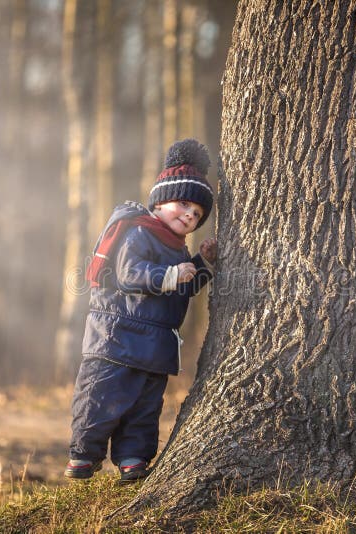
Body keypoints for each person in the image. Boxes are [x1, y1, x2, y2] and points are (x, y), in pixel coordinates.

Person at [65, 139, 218, 483]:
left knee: (144, 409)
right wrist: (170, 274)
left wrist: (202, 264)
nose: (190, 215)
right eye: (183, 204)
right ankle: (84, 454)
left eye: (197, 214)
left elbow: (185, 286)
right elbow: (130, 274)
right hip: (116, 339)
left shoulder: (179, 250)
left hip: (155, 345)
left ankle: (133, 458)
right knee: (100, 398)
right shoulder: (139, 233)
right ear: (161, 201)